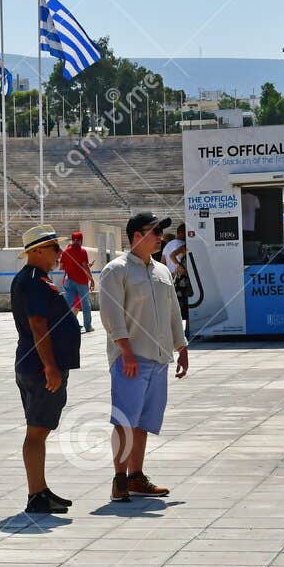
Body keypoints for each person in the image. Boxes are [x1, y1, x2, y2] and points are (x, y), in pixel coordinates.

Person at [100, 212, 190, 503]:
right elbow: (112, 315)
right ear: (136, 236)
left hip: (158, 357)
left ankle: (136, 476)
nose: (160, 237)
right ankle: (119, 479)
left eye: (161, 232)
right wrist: (125, 351)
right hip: (131, 358)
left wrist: (182, 347)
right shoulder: (117, 270)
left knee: (144, 422)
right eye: (154, 232)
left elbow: (174, 312)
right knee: (125, 420)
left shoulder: (162, 271)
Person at [11, 225, 83, 515]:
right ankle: (36, 495)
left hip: (36, 365)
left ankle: (40, 490)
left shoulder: (36, 279)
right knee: (37, 432)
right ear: (37, 251)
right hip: (39, 368)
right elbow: (38, 325)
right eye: (54, 248)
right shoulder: (33, 281)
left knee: (39, 430)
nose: (59, 253)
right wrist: (50, 367)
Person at [61, 231, 96, 334]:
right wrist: (92, 279)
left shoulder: (65, 252)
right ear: (81, 240)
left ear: (72, 240)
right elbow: (84, 266)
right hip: (81, 282)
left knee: (67, 305)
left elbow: (61, 267)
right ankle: (88, 327)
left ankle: (65, 326)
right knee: (85, 305)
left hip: (69, 281)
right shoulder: (83, 252)